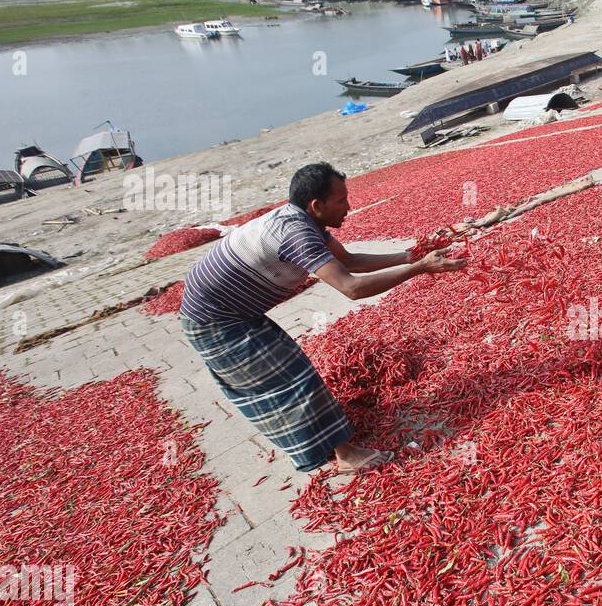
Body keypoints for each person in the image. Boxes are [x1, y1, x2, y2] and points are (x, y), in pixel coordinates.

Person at [180, 163, 467, 475]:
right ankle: (345, 455)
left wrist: (408, 257)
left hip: (232, 310)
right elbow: (351, 288)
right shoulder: (297, 233)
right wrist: (419, 269)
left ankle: (324, 439)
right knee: (290, 378)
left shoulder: (302, 220)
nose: (348, 207)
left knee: (287, 369)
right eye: (342, 200)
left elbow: (350, 261)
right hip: (215, 319)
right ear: (316, 206)